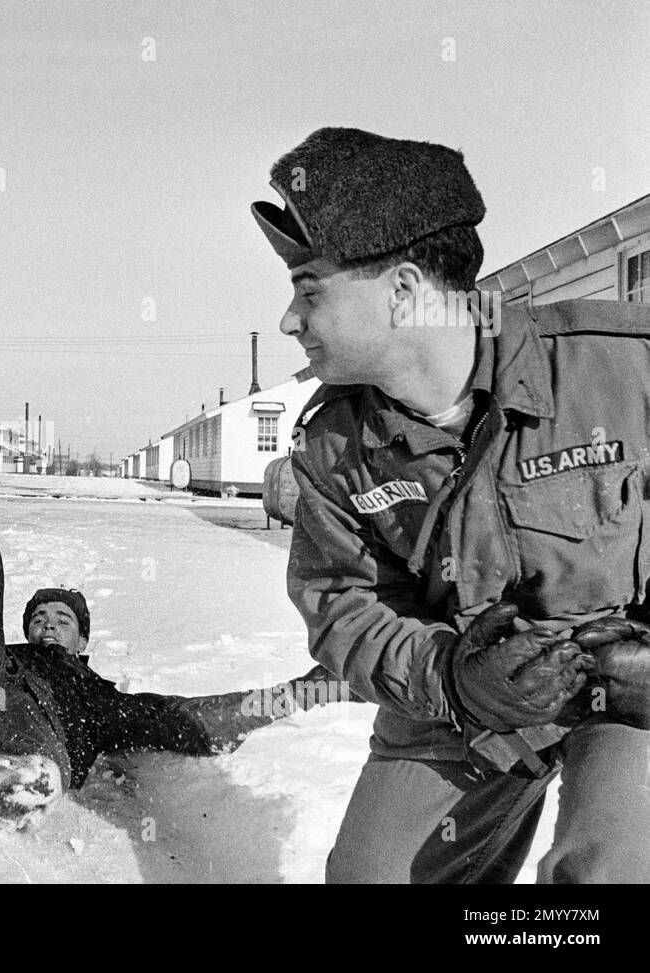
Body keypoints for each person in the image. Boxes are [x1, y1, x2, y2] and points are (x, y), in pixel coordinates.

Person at [252, 127, 650, 882]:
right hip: (462, 697)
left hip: (630, 689)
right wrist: (454, 679)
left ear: (403, 291)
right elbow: (345, 607)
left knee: (615, 869)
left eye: (310, 290)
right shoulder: (337, 445)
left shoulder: (621, 369)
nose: (290, 320)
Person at [0, 435, 331, 826]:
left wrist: (301, 693)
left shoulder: (99, 697)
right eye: (38, 619)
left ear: (84, 642)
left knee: (41, 771)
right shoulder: (4, 656)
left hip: (38, 745)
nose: (47, 626)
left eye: (62, 620)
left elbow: (191, 721)